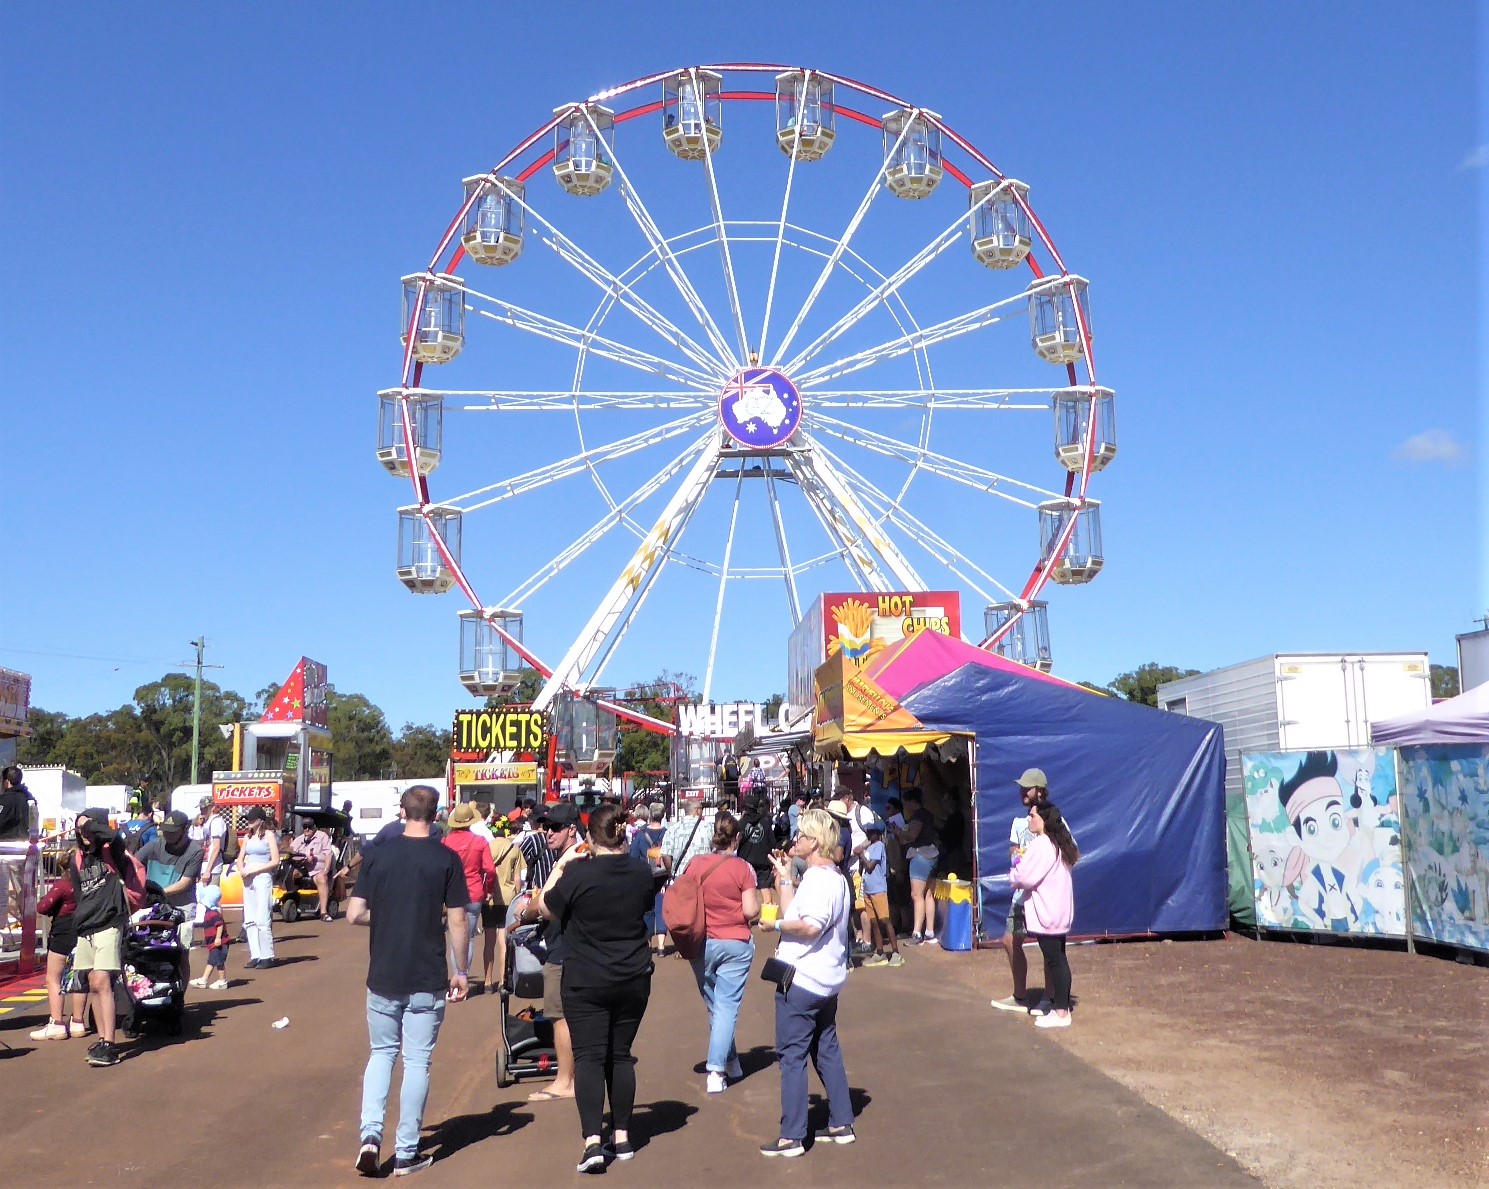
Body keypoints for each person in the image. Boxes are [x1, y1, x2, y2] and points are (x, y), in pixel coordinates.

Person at [348, 785, 470, 1178]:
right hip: (426, 972)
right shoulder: (446, 858)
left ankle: (370, 1137)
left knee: (381, 1054)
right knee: (417, 1060)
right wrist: (462, 970)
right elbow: (458, 920)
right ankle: (405, 1152)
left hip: (384, 972)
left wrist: (385, 918)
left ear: (403, 811)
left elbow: (353, 913)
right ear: (437, 815)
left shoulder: (377, 855)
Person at [534, 803, 655, 1173]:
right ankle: (621, 1136)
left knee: (589, 1057)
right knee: (620, 1055)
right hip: (632, 975)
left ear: (589, 837)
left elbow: (545, 907)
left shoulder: (576, 874)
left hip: (586, 978)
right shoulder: (640, 872)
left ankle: (592, 1142)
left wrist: (562, 865)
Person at [758, 808, 856, 1157]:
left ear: (814, 842)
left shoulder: (817, 879)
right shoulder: (836, 878)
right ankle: (841, 1121)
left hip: (803, 980)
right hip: (827, 979)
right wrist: (785, 877)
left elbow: (808, 925)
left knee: (792, 1056)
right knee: (826, 1046)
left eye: (801, 835)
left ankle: (792, 1136)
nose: (795, 840)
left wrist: (776, 927)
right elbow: (794, 912)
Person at [990, 768, 1075, 1013]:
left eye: (1027, 787)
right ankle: (1020, 996)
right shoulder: (1019, 822)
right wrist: (1017, 856)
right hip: (1021, 896)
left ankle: (1050, 999)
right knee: (1009, 939)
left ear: (1040, 790)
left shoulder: (1055, 821)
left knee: (1049, 948)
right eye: (1021, 787)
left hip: (1043, 899)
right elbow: (1014, 852)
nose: (1022, 792)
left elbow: (1069, 851)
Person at [69, 807, 148, 1067]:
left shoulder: (112, 851)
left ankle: (110, 1044)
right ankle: (103, 1040)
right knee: (92, 982)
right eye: (79, 829)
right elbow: (80, 894)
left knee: (103, 980)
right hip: (87, 927)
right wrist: (80, 923)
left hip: (109, 923)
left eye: (89, 828)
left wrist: (91, 825)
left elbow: (114, 837)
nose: (84, 833)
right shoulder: (77, 858)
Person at [688, 813, 760, 1094]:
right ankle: (717, 1069)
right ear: (737, 837)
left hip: (701, 942)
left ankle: (731, 1061)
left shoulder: (695, 865)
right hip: (735, 941)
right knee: (726, 1006)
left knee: (716, 1005)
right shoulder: (743, 868)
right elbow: (750, 911)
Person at [515, 803, 581, 1103]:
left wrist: (526, 911)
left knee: (559, 1015)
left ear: (572, 829)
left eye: (555, 827)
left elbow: (546, 906)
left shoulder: (569, 860)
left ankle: (565, 1080)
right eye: (546, 827)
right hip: (576, 945)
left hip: (563, 947)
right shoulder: (579, 855)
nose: (548, 833)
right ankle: (575, 1077)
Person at [1007, 800, 1079, 1029]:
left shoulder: (1043, 844)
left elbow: (1024, 877)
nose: (1029, 819)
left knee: (1055, 960)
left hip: (1048, 911)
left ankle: (1061, 1012)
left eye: (1033, 815)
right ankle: (1059, 1007)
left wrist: (1015, 868)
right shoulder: (1059, 843)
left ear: (1044, 820)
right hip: (1057, 910)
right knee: (1058, 958)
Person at [136, 810, 204, 980]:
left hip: (183, 906)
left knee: (180, 954)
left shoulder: (195, 850)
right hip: (154, 906)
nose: (168, 834)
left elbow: (185, 882)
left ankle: (179, 996)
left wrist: (158, 892)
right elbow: (133, 862)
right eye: (166, 830)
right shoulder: (154, 845)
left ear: (184, 830)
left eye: (172, 831)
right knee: (149, 949)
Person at [441, 801, 495, 990]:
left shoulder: (446, 842)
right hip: (473, 892)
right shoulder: (480, 842)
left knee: (453, 936)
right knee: (469, 937)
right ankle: (462, 975)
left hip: (450, 894)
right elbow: (490, 869)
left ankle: (455, 979)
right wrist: (488, 888)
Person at [32, 868, 89, 1040]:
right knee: (79, 976)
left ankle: (57, 1023)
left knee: (53, 978)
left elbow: (43, 907)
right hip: (84, 929)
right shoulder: (88, 885)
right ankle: (78, 1021)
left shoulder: (64, 885)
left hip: (63, 931)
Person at [234, 806, 280, 970]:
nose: (249, 823)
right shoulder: (248, 837)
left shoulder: (269, 836)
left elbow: (275, 861)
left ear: (260, 820)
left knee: (262, 917)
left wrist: (256, 869)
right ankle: (256, 955)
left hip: (262, 876)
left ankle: (267, 955)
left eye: (252, 820)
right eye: (248, 820)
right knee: (250, 918)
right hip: (248, 877)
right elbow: (240, 857)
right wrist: (242, 869)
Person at [481, 819, 526, 991]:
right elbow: (517, 879)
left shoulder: (488, 847)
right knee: (503, 940)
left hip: (490, 897)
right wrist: (518, 896)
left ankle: (487, 981)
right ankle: (502, 981)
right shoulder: (514, 849)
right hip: (508, 897)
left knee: (489, 941)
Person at [895, 789, 940, 944]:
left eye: (906, 802)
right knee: (928, 894)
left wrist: (899, 832)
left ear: (912, 802)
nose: (906, 806)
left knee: (917, 895)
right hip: (932, 854)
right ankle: (929, 931)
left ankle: (916, 934)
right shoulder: (927, 814)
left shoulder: (918, 816)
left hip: (921, 855)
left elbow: (912, 835)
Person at [857, 819, 902, 967]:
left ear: (877, 834)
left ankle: (896, 952)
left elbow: (870, 866)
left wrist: (861, 855)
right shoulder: (869, 847)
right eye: (867, 832)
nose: (868, 835)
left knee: (885, 920)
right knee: (873, 921)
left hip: (878, 889)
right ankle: (879, 952)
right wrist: (860, 854)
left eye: (871, 833)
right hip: (868, 888)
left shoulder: (879, 846)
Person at [627, 803, 670, 958]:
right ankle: (661, 946)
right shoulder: (668, 833)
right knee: (661, 907)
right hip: (663, 876)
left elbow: (632, 857)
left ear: (650, 815)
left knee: (647, 909)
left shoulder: (640, 834)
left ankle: (648, 943)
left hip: (645, 876)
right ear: (663, 815)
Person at [288, 816, 336, 921]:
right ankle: (292, 900)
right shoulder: (300, 839)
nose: (307, 829)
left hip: (318, 868)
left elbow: (328, 854)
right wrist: (292, 852)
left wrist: (326, 870)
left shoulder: (322, 836)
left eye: (309, 827)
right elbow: (290, 849)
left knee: (321, 878)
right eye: (305, 827)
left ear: (314, 827)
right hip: (304, 867)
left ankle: (323, 912)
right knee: (289, 875)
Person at [736, 792, 777, 909]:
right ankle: (769, 916)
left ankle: (746, 917)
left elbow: (736, 843)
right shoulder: (765, 822)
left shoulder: (741, 824)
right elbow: (772, 842)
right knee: (765, 887)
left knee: (745, 889)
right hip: (762, 860)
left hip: (745, 861)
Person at [190, 882, 231, 989]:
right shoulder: (211, 912)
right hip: (214, 943)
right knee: (214, 961)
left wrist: (218, 938)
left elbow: (220, 925)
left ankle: (218, 981)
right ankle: (207, 980)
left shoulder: (213, 913)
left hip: (219, 943)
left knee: (215, 961)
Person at [663, 799, 712, 882]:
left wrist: (671, 874)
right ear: (697, 810)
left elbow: (666, 855)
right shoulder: (708, 827)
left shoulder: (672, 829)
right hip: (703, 878)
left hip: (680, 879)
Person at [192, 796, 229, 888]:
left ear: (212, 807)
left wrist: (208, 870)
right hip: (205, 867)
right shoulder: (208, 822)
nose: (202, 810)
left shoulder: (216, 822)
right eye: (201, 808)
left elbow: (216, 847)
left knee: (211, 899)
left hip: (213, 869)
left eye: (205, 808)